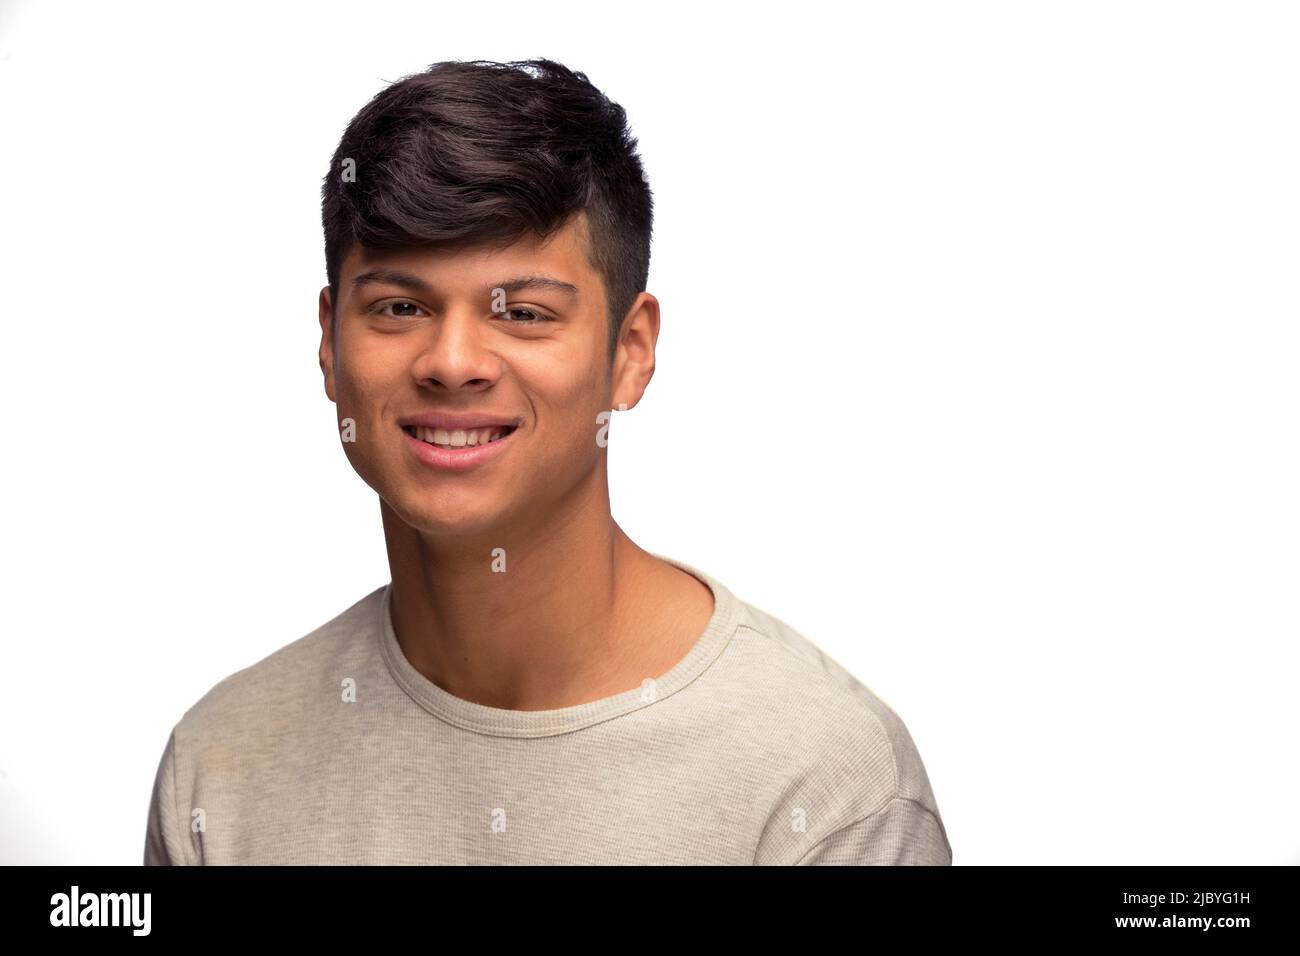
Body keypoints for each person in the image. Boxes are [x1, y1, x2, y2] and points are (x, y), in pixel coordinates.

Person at [143, 58, 952, 865]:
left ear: (630, 353)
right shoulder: (219, 769)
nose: (453, 361)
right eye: (399, 307)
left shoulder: (821, 786)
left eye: (524, 313)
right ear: (329, 342)